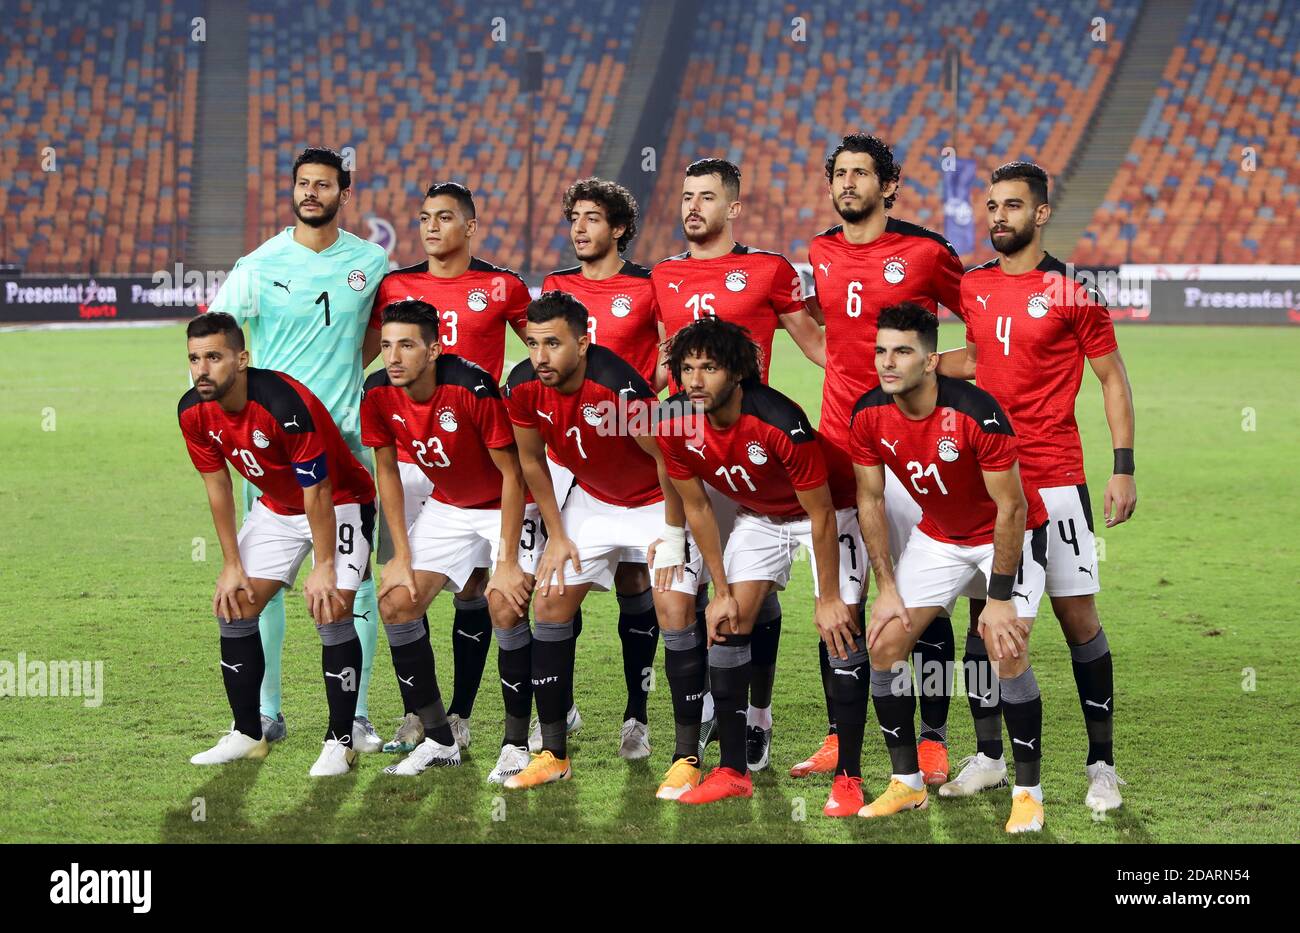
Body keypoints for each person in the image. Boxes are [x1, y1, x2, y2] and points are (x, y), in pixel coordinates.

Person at [938, 161, 1135, 812]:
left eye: (1012, 206)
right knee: (985, 620)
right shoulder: (974, 287)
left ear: (1041, 214)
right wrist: (918, 367)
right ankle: (992, 757)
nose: (998, 216)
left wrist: (1123, 465)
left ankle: (1102, 764)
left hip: (1058, 481)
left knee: (1078, 618)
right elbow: (979, 358)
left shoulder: (1074, 294)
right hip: (992, 484)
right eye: (992, 206)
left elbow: (1110, 378)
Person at [797, 133, 967, 784]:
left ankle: (931, 738)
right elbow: (818, 331)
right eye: (838, 173)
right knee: (839, 598)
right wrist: (841, 368)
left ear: (889, 185)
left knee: (922, 599)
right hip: (838, 448)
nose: (847, 183)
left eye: (861, 173)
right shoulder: (820, 251)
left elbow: (983, 332)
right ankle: (840, 737)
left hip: (909, 455)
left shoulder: (925, 252)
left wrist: (927, 373)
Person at [207, 146, 389, 752]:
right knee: (270, 580)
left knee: (352, 584)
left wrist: (337, 378)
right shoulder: (258, 264)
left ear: (344, 193)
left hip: (346, 445)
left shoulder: (371, 261)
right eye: (303, 184)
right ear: (293, 191)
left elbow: (375, 336)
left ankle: (357, 717)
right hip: (271, 451)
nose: (312, 193)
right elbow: (216, 336)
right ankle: (264, 712)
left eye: (324, 184)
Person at [651, 157, 827, 771]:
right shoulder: (664, 275)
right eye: (686, 195)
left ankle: (756, 717)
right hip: (685, 454)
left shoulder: (768, 270)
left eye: (706, 197)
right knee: (686, 591)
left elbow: (818, 346)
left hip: (752, 458)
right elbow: (657, 363)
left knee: (747, 594)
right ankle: (705, 713)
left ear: (733, 208)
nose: (693, 206)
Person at [848, 303, 1049, 833]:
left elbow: (1012, 508)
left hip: (1008, 535)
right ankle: (907, 784)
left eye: (903, 352)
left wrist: (1000, 597)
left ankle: (1028, 793)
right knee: (884, 642)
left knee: (1005, 648)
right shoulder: (867, 413)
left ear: (932, 360)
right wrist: (887, 588)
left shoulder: (977, 413)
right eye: (882, 351)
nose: (888, 363)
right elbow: (869, 500)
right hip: (939, 537)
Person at [502, 291, 704, 797]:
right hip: (592, 500)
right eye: (532, 343)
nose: (540, 357)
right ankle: (553, 754)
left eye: (553, 343)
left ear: (584, 342)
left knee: (674, 609)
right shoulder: (524, 384)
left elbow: (667, 458)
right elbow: (530, 461)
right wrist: (558, 534)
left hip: (658, 501)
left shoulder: (617, 388)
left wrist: (675, 535)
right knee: (548, 604)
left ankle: (685, 758)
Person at [654, 317, 861, 805]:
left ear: (738, 373)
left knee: (841, 628)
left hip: (833, 511)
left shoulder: (777, 420)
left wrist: (827, 597)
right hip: (761, 517)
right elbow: (700, 507)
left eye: (709, 368)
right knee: (727, 624)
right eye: (687, 369)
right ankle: (732, 771)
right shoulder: (672, 422)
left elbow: (822, 513)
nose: (695, 381)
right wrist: (721, 590)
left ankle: (848, 778)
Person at [371, 182, 534, 750]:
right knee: (399, 588)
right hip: (415, 458)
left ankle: (463, 713)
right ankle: (420, 716)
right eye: (423, 218)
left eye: (444, 218)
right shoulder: (397, 286)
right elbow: (371, 354)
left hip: (481, 453)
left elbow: (543, 349)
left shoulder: (503, 286)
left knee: (477, 592)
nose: (432, 227)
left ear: (470, 225)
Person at [178, 312, 377, 776]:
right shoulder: (192, 412)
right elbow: (218, 488)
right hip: (276, 508)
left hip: (342, 500)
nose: (202, 369)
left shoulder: (284, 403)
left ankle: (341, 741)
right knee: (235, 602)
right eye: (194, 359)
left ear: (241, 359)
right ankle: (249, 733)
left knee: (331, 605)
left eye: (214, 357)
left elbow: (321, 490)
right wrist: (231, 563)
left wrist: (324, 564)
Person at [541, 177, 664, 759]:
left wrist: (640, 400)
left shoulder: (647, 285)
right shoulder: (557, 287)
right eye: (575, 218)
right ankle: (558, 706)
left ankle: (636, 715)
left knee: (635, 581)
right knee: (562, 582)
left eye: (593, 218)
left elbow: (669, 354)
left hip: (629, 450)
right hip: (568, 453)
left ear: (618, 228)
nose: (580, 228)